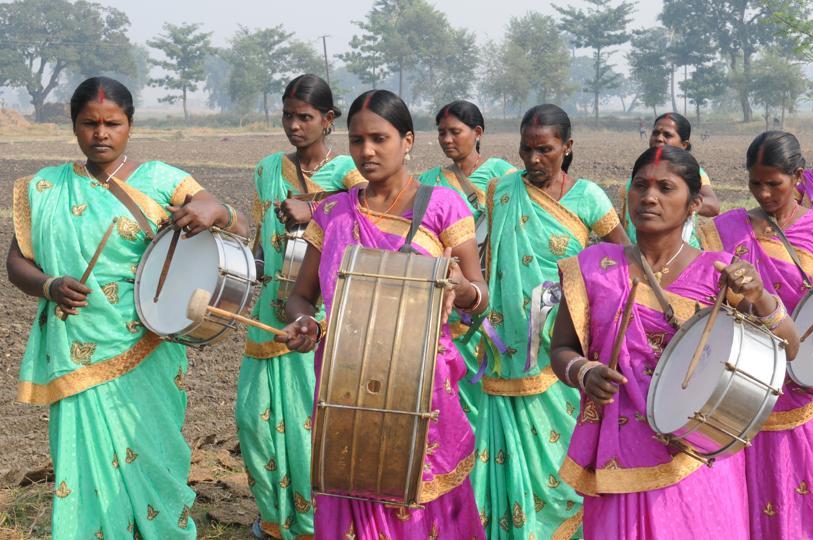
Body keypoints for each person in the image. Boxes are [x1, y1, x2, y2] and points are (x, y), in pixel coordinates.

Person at [6, 76, 248, 539]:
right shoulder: (46, 187)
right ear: (74, 127)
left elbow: (236, 222)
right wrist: (50, 284)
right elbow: (17, 261)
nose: (101, 133)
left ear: (129, 125)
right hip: (76, 344)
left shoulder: (163, 179)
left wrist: (212, 210)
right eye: (89, 123)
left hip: (147, 346)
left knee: (154, 456)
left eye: (111, 123)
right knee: (84, 465)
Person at [550, 145, 800, 539]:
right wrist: (584, 372)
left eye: (666, 188)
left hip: (694, 455)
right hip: (618, 457)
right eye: (640, 186)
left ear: (694, 204)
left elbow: (789, 348)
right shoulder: (595, 265)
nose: (649, 197)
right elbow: (560, 349)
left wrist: (761, 298)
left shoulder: (718, 272)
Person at [276, 89, 487, 539]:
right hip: (345, 386)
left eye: (379, 138)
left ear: (408, 141)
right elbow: (300, 296)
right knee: (354, 484)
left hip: (422, 387)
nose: (367, 151)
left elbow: (480, 296)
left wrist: (462, 289)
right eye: (357, 141)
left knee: (419, 503)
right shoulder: (333, 213)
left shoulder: (443, 207)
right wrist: (306, 323)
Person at [697, 131, 813, 538]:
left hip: (797, 373)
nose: (763, 193)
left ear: (798, 177)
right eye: (755, 183)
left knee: (798, 484)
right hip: (738, 372)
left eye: (774, 183)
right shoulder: (723, 229)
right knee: (741, 487)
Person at [472, 104, 629, 539]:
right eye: (526, 149)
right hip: (506, 346)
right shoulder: (502, 191)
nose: (534, 159)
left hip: (560, 346)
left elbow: (624, 260)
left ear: (567, 147)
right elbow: (487, 262)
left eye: (545, 149)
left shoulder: (588, 198)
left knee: (560, 453)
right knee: (506, 454)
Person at [238, 74, 364, 540]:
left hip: (321, 320)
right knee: (254, 423)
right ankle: (275, 519)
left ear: (328, 120)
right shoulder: (267, 168)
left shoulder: (350, 173)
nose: (294, 125)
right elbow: (257, 242)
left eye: (305, 117)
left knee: (313, 430)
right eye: (288, 115)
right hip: (269, 319)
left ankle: (319, 525)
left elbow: (367, 229)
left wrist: (316, 210)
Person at [418, 100, 516, 428]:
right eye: (441, 132)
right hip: (445, 298)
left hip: (490, 295)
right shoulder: (429, 180)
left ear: (477, 133)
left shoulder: (504, 176)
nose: (447, 139)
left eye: (455, 132)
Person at [622, 112, 720, 248]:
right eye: (655, 133)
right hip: (638, 253)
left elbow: (713, 206)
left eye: (667, 135)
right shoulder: (642, 170)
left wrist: (678, 204)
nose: (659, 139)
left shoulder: (690, 173)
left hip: (679, 254)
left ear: (684, 144)